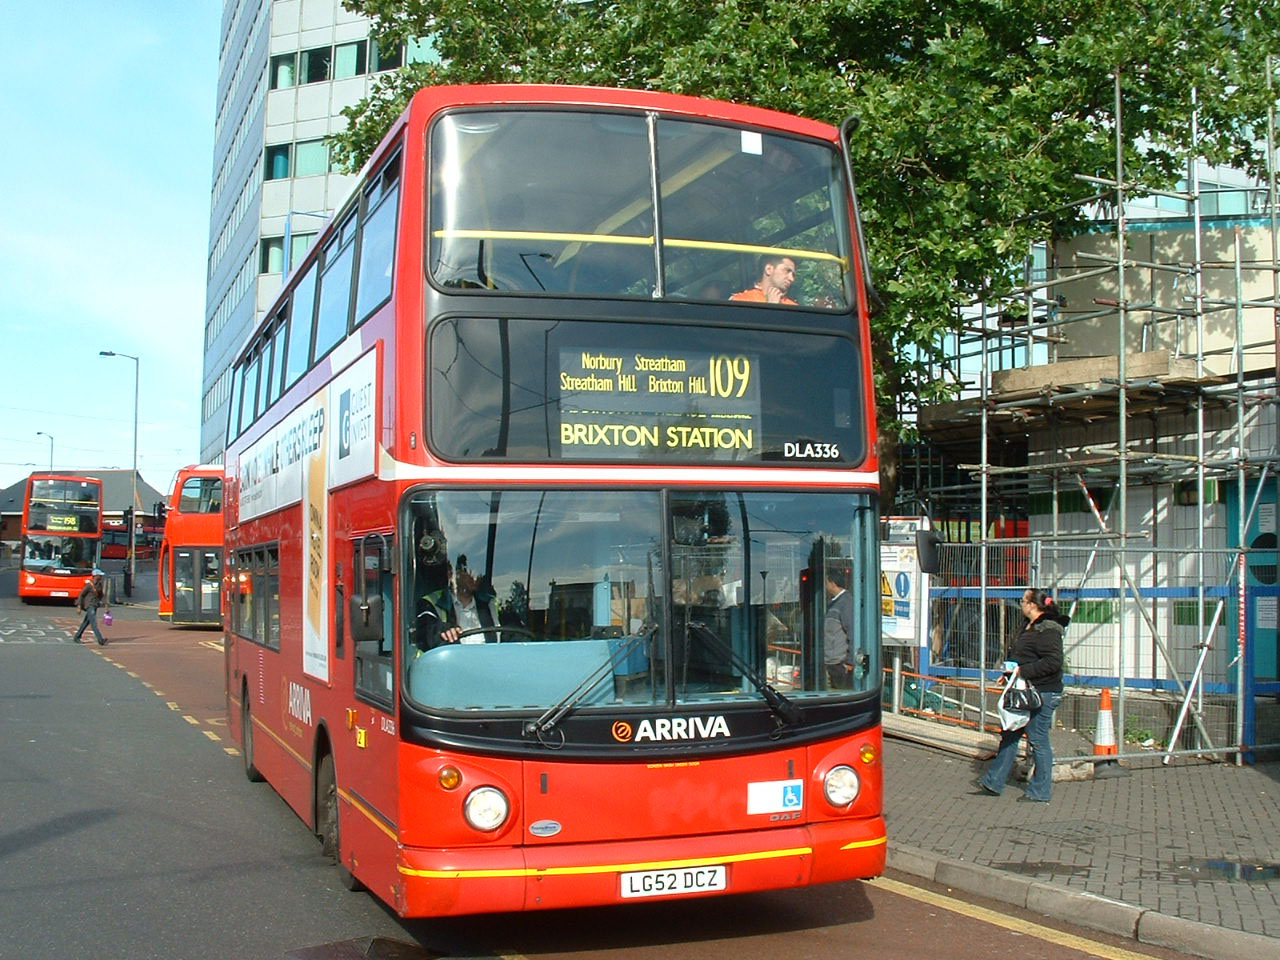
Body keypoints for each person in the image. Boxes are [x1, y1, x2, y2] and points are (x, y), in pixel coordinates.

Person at [976, 588, 1068, 802]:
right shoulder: (1028, 626)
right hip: (1025, 688)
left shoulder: (1048, 630)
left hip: (1043, 691)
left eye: (1023, 601)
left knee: (1037, 738)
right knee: (1011, 733)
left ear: (1032, 605)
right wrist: (1009, 674)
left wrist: (1022, 671)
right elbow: (1023, 656)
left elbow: (1053, 662)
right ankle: (993, 781)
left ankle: (1040, 791)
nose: (1021, 604)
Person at [823, 567, 853, 689]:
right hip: (832, 661)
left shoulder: (846, 603)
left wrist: (850, 661)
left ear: (833, 583)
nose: (825, 586)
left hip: (840, 664)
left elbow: (852, 632)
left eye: (826, 582)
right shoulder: (833, 603)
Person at [730, 254, 797, 304]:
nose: (791, 279)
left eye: (793, 275)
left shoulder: (792, 305)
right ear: (768, 269)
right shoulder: (742, 300)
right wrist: (772, 307)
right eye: (787, 271)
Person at [73, 570, 110, 646]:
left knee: (86, 622)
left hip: (95, 605)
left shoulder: (99, 584)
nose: (101, 577)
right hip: (89, 605)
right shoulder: (89, 585)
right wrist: (79, 606)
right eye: (99, 575)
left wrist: (106, 605)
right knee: (93, 623)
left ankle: (77, 637)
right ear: (95, 576)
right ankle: (100, 640)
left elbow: (101, 595)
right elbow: (81, 595)